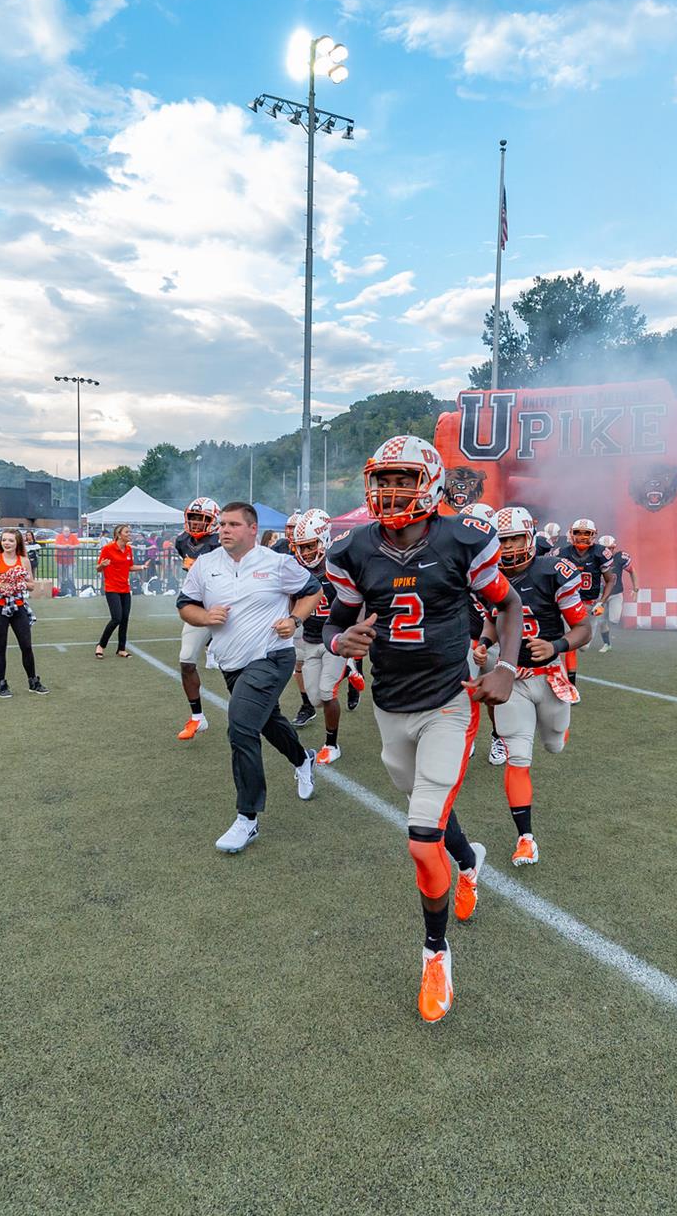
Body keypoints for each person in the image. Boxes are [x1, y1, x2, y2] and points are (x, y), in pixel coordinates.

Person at [323, 436, 522, 1023]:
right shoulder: (354, 547)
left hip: (448, 702)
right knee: (426, 810)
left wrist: (506, 668)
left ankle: (435, 955)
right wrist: (342, 640)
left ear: (430, 482)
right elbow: (337, 620)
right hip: (390, 703)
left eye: (403, 479)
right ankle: (469, 863)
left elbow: (506, 606)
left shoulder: (463, 539)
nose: (391, 492)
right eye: (382, 480)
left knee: (418, 836)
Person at [178, 503, 322, 854]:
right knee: (267, 720)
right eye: (222, 524)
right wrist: (204, 616)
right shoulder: (205, 565)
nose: (224, 529)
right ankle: (303, 759)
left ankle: (247, 817)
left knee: (241, 726)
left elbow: (313, 589)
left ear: (253, 529)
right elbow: (185, 604)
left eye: (234, 524)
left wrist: (296, 620)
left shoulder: (277, 562)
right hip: (231, 663)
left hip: (272, 656)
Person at [481, 507, 590, 866]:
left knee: (554, 744)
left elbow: (583, 628)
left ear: (530, 538)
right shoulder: (489, 577)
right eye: (503, 540)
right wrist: (484, 640)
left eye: (515, 538)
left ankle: (558, 730)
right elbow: (492, 622)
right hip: (513, 678)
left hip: (549, 677)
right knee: (519, 758)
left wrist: (556, 646)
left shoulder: (552, 572)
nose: (509, 547)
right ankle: (525, 838)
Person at [285, 509, 351, 764]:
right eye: (301, 547)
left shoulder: (339, 568)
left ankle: (332, 744)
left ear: (324, 539)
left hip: (335, 641)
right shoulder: (298, 572)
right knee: (314, 698)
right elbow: (292, 604)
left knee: (326, 692)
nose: (306, 552)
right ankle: (348, 672)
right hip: (311, 640)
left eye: (311, 545)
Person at [172, 496, 224, 740]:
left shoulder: (221, 542)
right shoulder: (182, 541)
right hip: (198, 607)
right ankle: (197, 717)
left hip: (226, 608)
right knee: (186, 661)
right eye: (192, 518)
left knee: (239, 664)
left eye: (201, 519)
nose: (195, 523)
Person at [0, 528, 44, 697]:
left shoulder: (23, 561)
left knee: (26, 646)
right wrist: (2, 584)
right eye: (4, 540)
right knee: (1, 646)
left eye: (11, 540)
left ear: (17, 543)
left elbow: (31, 585)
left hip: (18, 605)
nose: (6, 543)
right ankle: (1, 683)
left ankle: (33, 681)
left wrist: (18, 582)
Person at [555, 517, 612, 682]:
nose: (582, 536)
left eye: (586, 533)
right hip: (569, 603)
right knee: (569, 642)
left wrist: (602, 602)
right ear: (571, 534)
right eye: (578, 533)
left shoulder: (600, 553)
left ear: (593, 535)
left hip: (591, 606)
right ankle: (570, 683)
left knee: (584, 646)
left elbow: (610, 580)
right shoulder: (562, 553)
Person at [95, 524, 145, 658]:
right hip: (112, 588)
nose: (130, 534)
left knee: (124, 619)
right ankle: (101, 645)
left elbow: (129, 567)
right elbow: (98, 568)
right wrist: (102, 565)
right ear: (119, 534)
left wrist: (142, 567)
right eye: (127, 532)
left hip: (125, 588)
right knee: (116, 618)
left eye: (130, 532)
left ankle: (121, 649)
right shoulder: (108, 549)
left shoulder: (128, 549)